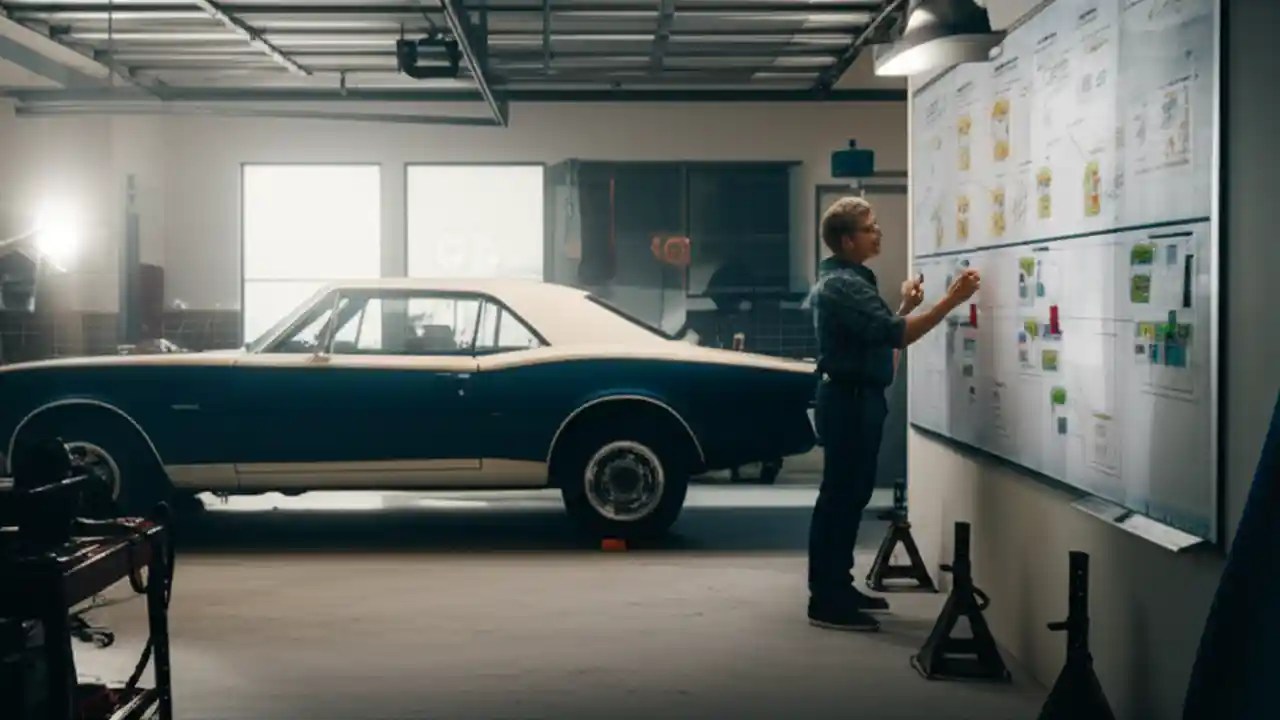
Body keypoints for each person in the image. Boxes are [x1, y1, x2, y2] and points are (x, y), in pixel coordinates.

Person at [807, 196, 981, 632]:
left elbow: (876, 336)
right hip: (849, 401)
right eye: (870, 227)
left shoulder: (850, 281)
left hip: (854, 398)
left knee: (849, 496)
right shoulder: (842, 285)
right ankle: (827, 600)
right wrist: (950, 301)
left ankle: (837, 587)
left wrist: (904, 306)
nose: (878, 232)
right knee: (841, 499)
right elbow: (894, 337)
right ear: (848, 240)